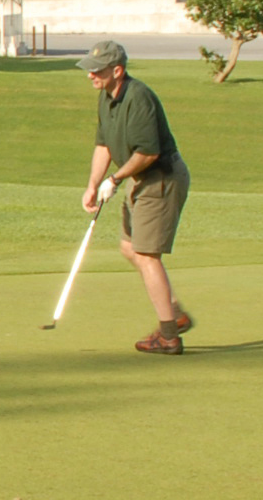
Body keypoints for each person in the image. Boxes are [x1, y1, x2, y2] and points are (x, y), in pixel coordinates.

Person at [77, 39, 194, 354]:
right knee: (130, 248)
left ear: (117, 70)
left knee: (145, 254)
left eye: (97, 70)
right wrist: (93, 184)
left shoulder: (138, 97)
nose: (90, 75)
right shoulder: (107, 97)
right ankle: (177, 315)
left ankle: (169, 336)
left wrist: (114, 179)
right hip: (139, 179)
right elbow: (104, 145)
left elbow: (149, 152)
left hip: (161, 178)